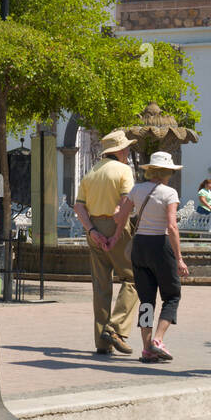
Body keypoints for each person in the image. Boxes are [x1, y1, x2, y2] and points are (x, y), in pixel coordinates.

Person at [109, 150, 189, 363]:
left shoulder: (136, 190)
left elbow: (121, 217)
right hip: (159, 246)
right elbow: (172, 226)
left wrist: (116, 229)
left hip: (140, 247)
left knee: (146, 300)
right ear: (167, 172)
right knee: (172, 296)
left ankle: (146, 349)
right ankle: (158, 340)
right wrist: (179, 258)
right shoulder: (169, 193)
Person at [73, 129, 139, 355]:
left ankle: (102, 343)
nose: (129, 151)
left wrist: (91, 231)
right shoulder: (123, 170)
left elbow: (78, 206)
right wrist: (116, 233)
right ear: (120, 151)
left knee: (101, 286)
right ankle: (116, 328)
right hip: (114, 225)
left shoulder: (90, 172)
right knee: (134, 277)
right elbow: (125, 205)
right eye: (127, 148)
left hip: (93, 228)